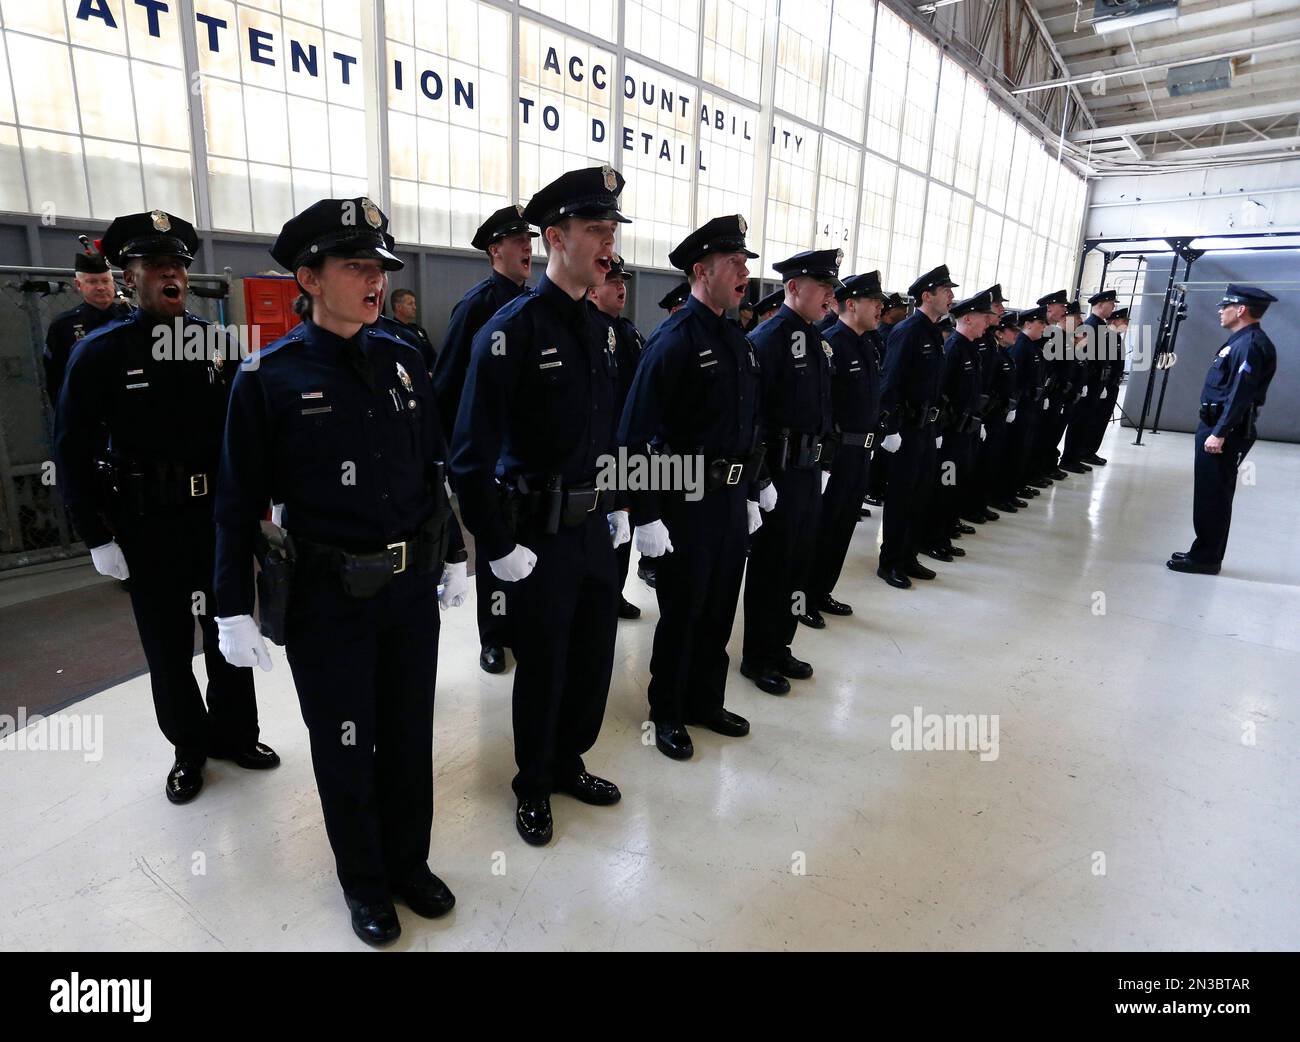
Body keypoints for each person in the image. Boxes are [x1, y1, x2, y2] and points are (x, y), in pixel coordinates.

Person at [213, 197, 469, 946]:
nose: (374, 281)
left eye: (378, 267)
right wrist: (231, 606)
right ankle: (364, 883)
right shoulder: (267, 378)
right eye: (355, 266)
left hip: (408, 593)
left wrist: (452, 551)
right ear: (309, 277)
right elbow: (237, 504)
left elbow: (432, 471)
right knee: (348, 746)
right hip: (329, 602)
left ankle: (408, 863)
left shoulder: (404, 360)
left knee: (408, 734)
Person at [54, 210, 276, 806]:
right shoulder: (99, 353)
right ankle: (189, 748)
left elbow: (247, 438)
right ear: (128, 277)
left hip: (216, 524)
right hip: (147, 527)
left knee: (230, 628)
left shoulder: (214, 343)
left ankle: (236, 735)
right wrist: (96, 535)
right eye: (156, 265)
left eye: (178, 264)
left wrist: (262, 511)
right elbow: (70, 450)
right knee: (168, 648)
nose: (171, 274)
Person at [450, 165, 629, 847]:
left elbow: (603, 432)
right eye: (594, 229)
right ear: (554, 237)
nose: (606, 243)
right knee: (545, 665)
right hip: (537, 537)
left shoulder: (599, 328)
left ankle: (569, 760)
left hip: (592, 529)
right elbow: (469, 454)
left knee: (593, 658)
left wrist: (617, 507)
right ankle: (533, 783)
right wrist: (497, 546)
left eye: (610, 230)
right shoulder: (511, 329)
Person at [618, 214, 764, 759]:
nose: (744, 272)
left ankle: (706, 699)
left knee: (722, 604)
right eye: (734, 263)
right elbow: (633, 436)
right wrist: (646, 514)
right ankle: (668, 711)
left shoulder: (736, 338)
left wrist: (750, 490)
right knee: (684, 609)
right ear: (701, 271)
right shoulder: (673, 341)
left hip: (728, 498)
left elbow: (747, 427)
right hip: (683, 499)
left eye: (746, 262)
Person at [432, 204, 536, 674]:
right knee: (495, 550)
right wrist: (460, 455)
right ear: (495, 250)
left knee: (525, 546)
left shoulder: (535, 305)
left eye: (530, 241)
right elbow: (448, 385)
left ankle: (521, 627)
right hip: (491, 456)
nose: (527, 248)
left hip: (525, 455)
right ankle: (493, 638)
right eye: (517, 242)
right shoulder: (477, 306)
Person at [740, 248, 842, 694]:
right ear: (794, 288)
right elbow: (754, 418)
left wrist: (824, 462)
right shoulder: (769, 338)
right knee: (772, 567)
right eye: (823, 287)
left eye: (833, 288)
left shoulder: (817, 341)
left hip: (806, 471)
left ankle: (781, 644)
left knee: (798, 563)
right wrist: (758, 480)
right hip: (777, 475)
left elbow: (824, 411)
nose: (830, 297)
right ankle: (757, 655)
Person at [1167, 284, 1278, 575]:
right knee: (1208, 492)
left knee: (1214, 494)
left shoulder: (1250, 344)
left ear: (1240, 309)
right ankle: (1204, 549)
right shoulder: (1241, 340)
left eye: (1225, 306)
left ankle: (1206, 559)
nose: (1220, 310)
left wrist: (1220, 432)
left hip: (1225, 431)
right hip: (1216, 425)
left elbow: (1240, 394)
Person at [801, 271, 885, 627]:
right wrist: (823, 460)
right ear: (851, 304)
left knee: (841, 528)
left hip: (859, 455)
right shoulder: (830, 341)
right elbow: (820, 406)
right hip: (835, 456)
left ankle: (822, 591)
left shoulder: (866, 343)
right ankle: (802, 597)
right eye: (874, 301)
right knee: (820, 529)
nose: (880, 308)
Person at [875, 265, 954, 590]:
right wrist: (890, 428)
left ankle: (908, 555)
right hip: (906, 429)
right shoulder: (907, 331)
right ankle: (890, 561)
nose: (951, 297)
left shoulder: (933, 331)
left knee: (921, 494)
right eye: (946, 291)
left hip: (925, 429)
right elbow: (889, 382)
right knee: (901, 497)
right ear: (927, 296)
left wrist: (935, 429)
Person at [587, 253, 645, 620]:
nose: (621, 288)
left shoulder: (630, 334)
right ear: (594, 290)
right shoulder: (587, 331)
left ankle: (615, 591)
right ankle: (594, 597)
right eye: (613, 281)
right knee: (598, 531)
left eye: (623, 281)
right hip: (595, 452)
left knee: (624, 525)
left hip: (627, 452)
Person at [921, 290, 992, 563]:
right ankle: (932, 538)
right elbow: (942, 393)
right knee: (944, 487)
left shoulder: (970, 348)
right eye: (983, 318)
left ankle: (944, 534)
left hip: (967, 432)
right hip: (950, 436)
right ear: (968, 318)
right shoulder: (953, 349)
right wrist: (939, 432)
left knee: (956, 486)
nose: (987, 324)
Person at [43, 238, 128, 403]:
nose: (101, 287)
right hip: (87, 407)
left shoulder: (130, 317)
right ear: (78, 284)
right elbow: (55, 378)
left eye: (105, 281)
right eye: (92, 281)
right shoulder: (63, 325)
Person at [984, 309, 1028, 515]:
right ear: (1000, 332)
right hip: (991, 415)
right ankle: (980, 503)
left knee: (995, 459)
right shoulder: (995, 355)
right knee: (986, 461)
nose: (1016, 334)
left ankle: (985, 501)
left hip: (1002, 413)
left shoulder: (1004, 354)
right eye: (1012, 330)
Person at [382, 287, 435, 376]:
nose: (415, 307)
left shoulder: (418, 330)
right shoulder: (389, 332)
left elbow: (432, 355)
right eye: (410, 304)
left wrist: (433, 371)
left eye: (414, 303)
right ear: (398, 307)